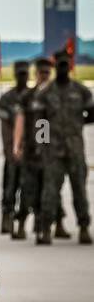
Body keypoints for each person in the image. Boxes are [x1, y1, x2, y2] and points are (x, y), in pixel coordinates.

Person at [31, 54, 93, 245]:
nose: (64, 68)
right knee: (50, 192)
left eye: (67, 64)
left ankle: (83, 227)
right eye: (61, 65)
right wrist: (42, 147)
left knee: (80, 190)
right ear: (56, 66)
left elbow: (92, 113)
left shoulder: (81, 91)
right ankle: (45, 229)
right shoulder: (45, 93)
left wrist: (77, 125)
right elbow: (40, 121)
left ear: (70, 66)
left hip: (75, 150)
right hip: (53, 152)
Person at [14, 56, 62, 239]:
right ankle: (21, 223)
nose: (44, 76)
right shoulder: (27, 96)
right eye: (42, 72)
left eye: (47, 73)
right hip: (32, 151)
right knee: (28, 190)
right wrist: (17, 145)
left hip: (52, 154)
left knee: (50, 192)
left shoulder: (56, 96)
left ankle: (46, 228)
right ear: (36, 74)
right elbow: (20, 120)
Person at [0, 60, 30, 236]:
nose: (23, 77)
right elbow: (6, 127)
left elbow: (43, 124)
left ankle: (22, 222)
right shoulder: (7, 98)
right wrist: (10, 149)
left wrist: (43, 146)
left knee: (27, 188)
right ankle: (6, 217)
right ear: (15, 74)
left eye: (25, 73)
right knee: (10, 186)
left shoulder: (36, 96)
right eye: (20, 73)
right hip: (12, 150)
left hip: (32, 152)